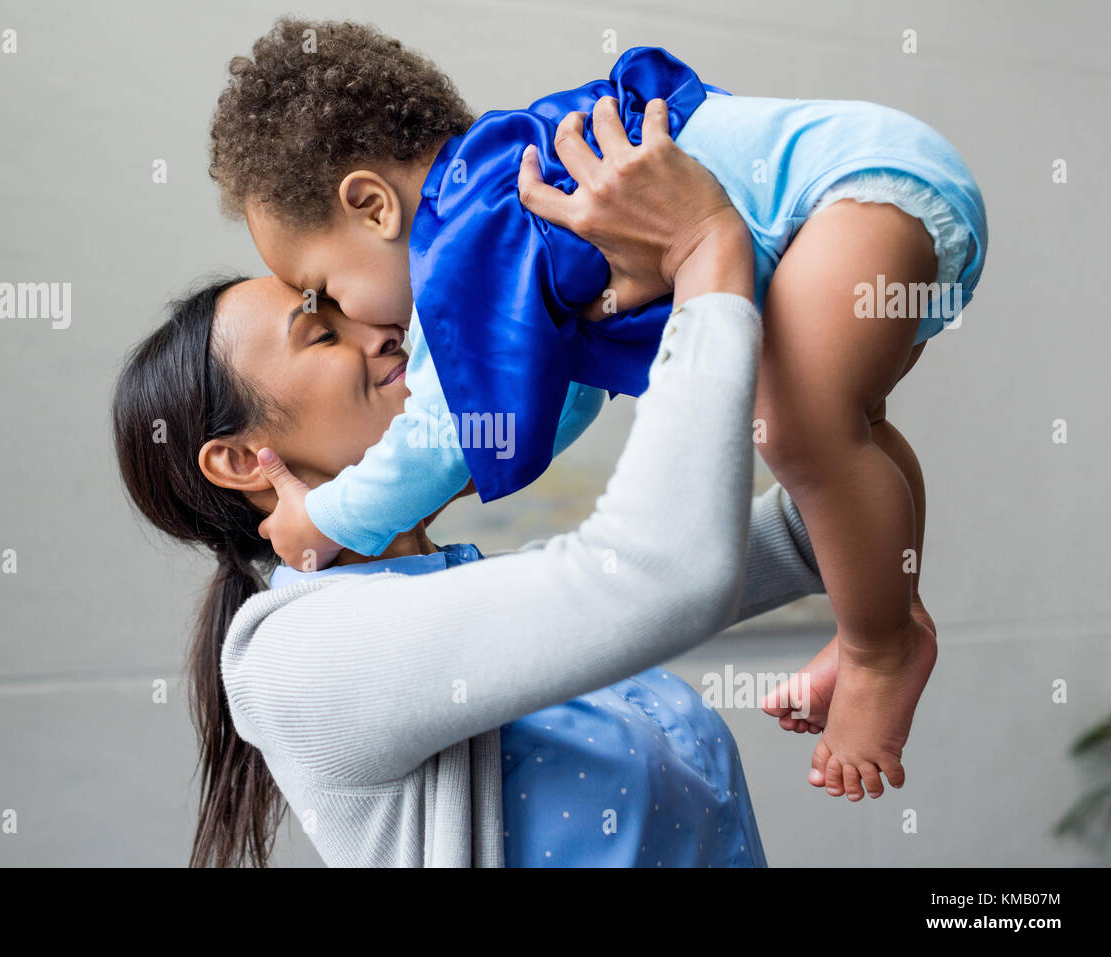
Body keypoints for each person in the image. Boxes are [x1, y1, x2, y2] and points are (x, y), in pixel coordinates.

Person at [209, 18, 979, 798]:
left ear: (373, 206)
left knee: (798, 428)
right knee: (850, 428)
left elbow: (440, 437)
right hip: (872, 188)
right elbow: (560, 396)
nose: (368, 329)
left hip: (851, 199)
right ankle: (882, 619)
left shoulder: (464, 239)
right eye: (321, 320)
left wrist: (328, 516)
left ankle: (880, 649)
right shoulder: (499, 197)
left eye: (331, 292)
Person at [113, 107, 827, 866]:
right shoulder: (293, 658)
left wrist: (846, 427)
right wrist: (706, 256)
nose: (381, 324)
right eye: (322, 330)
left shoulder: (459, 583)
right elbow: (669, 574)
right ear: (238, 460)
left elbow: (797, 537)